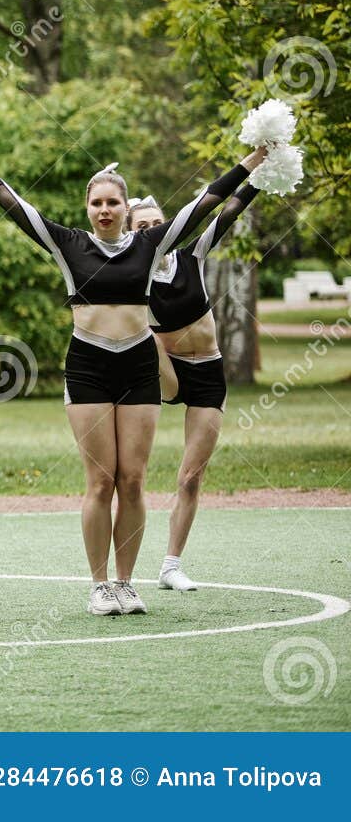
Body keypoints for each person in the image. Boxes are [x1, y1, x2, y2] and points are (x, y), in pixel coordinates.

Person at [0, 143, 267, 615]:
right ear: (88, 208)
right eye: (97, 202)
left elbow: (205, 202)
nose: (105, 210)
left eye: (113, 202)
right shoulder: (69, 244)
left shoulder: (151, 244)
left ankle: (126, 582)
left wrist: (250, 162)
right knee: (100, 482)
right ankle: (99, 585)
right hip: (89, 368)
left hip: (139, 367)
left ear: (127, 208)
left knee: (134, 480)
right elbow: (11, 201)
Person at [129, 182, 261, 592]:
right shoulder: (133, 277)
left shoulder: (192, 254)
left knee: (190, 477)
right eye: (143, 226)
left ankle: (171, 566)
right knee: (140, 331)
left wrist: (258, 173)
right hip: (165, 374)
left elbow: (227, 211)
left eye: (157, 223)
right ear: (134, 235)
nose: (152, 229)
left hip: (206, 372)